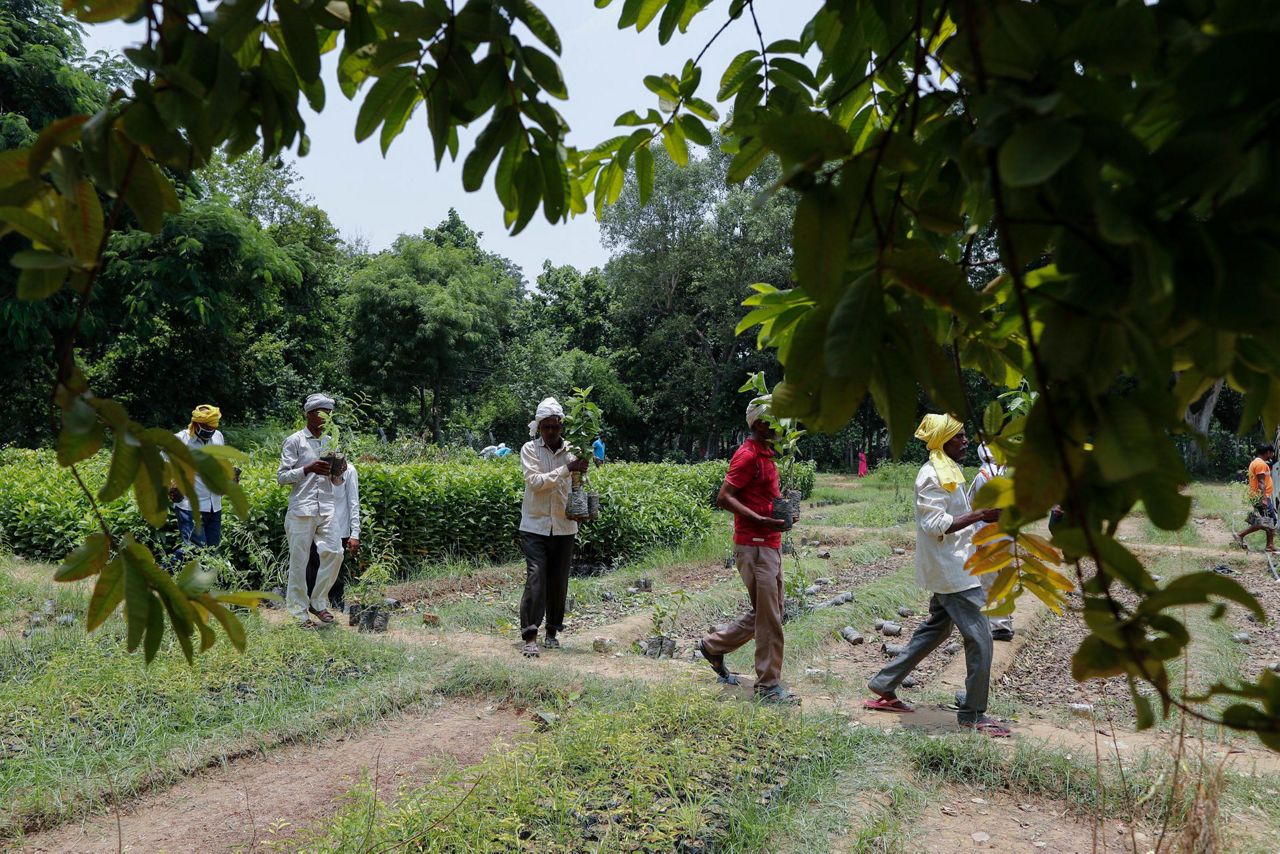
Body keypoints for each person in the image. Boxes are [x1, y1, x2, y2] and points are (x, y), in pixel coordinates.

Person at [863, 414, 1009, 737]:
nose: (966, 441)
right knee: (981, 637)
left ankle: (883, 684)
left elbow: (953, 517)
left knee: (935, 632)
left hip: (955, 565)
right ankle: (973, 714)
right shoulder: (931, 475)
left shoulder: (948, 470)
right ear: (943, 441)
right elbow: (935, 524)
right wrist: (982, 515)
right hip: (953, 572)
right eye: (959, 437)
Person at [698, 396, 799, 705]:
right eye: (774, 420)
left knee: (770, 612)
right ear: (758, 424)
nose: (780, 425)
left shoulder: (768, 454)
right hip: (754, 546)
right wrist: (758, 519)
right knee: (769, 618)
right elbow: (723, 497)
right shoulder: (747, 455)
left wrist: (784, 511)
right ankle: (768, 686)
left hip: (768, 544)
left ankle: (713, 646)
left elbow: (764, 494)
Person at [517, 397, 590, 658]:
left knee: (558, 581)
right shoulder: (530, 449)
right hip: (535, 525)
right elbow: (535, 482)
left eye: (555, 427)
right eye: (545, 427)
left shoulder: (572, 450)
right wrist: (566, 469)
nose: (550, 432)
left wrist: (581, 475)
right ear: (539, 428)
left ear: (561, 427)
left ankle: (552, 632)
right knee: (536, 577)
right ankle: (530, 635)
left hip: (564, 526)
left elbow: (577, 484)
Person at [277, 394, 345, 628]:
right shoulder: (295, 441)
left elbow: (336, 482)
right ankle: (299, 614)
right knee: (299, 562)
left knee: (335, 553)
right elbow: (282, 477)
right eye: (322, 412)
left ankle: (317, 600)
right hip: (301, 509)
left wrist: (339, 471)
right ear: (309, 414)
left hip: (326, 507)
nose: (327, 416)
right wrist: (307, 469)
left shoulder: (331, 441)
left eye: (330, 412)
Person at [968, 442, 1014, 641]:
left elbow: (974, 507)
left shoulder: (982, 477)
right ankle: (1006, 621)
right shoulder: (1010, 475)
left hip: (988, 534)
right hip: (1009, 533)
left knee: (989, 581)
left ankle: (997, 625)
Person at [170, 404, 229, 555]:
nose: (210, 431)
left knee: (211, 552)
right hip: (190, 506)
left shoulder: (218, 437)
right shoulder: (180, 440)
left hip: (214, 505)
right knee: (197, 552)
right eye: (206, 427)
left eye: (212, 428)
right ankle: (167, 570)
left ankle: (169, 570)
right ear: (196, 423)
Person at [306, 460, 361, 611]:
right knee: (312, 567)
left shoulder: (349, 470)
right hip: (316, 527)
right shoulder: (316, 470)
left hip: (339, 528)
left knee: (336, 570)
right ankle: (311, 604)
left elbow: (353, 502)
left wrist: (355, 533)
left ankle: (336, 604)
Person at [1234, 445, 1277, 553]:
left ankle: (1269, 545)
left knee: (1269, 520)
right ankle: (1240, 535)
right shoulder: (1261, 464)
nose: (1272, 455)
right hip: (1261, 497)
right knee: (1269, 520)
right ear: (1268, 452)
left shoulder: (1256, 462)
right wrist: (1264, 499)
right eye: (1272, 453)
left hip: (1258, 496)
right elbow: (1261, 483)